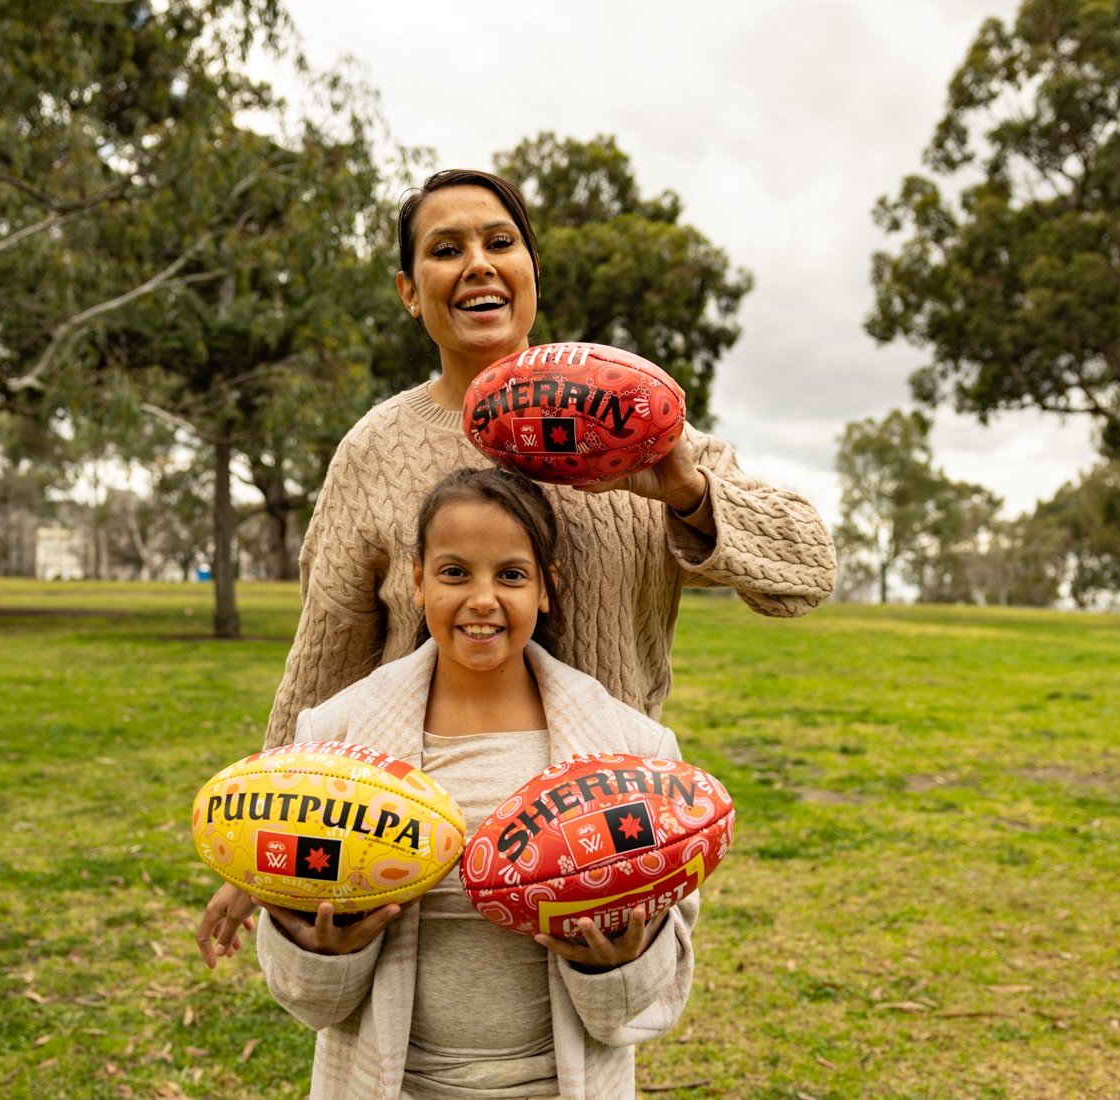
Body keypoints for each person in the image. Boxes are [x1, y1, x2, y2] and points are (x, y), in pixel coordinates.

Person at [197, 167, 834, 964]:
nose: (477, 264)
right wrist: (267, 835)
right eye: (444, 248)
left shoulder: (638, 427)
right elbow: (324, 655)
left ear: (532, 270)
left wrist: (681, 489)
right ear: (408, 289)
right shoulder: (375, 449)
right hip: (410, 855)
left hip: (604, 847)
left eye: (500, 242)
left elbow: (806, 571)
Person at [255, 466, 699, 1099]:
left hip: (558, 1085)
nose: (482, 598)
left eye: (511, 574)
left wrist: (622, 962)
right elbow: (307, 992)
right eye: (455, 572)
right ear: (417, 582)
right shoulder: (334, 739)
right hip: (394, 1084)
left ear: (548, 589)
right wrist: (324, 954)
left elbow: (657, 979)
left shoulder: (635, 753)